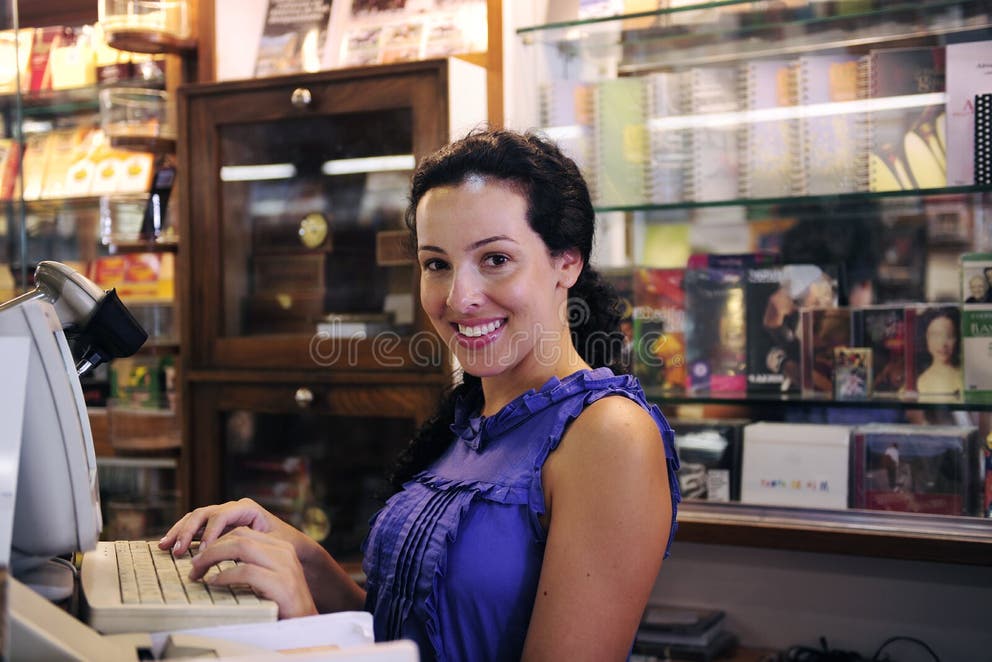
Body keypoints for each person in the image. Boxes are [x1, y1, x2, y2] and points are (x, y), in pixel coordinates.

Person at [159, 128, 681, 661]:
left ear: (566, 261)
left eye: (496, 259)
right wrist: (305, 559)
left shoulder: (609, 435)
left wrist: (310, 633)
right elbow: (409, 641)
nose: (460, 297)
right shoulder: (472, 420)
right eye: (437, 264)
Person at [915, 307, 962, 396]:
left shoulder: (967, 376)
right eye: (935, 336)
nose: (942, 344)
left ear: (957, 338)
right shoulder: (920, 383)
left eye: (949, 336)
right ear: (926, 339)